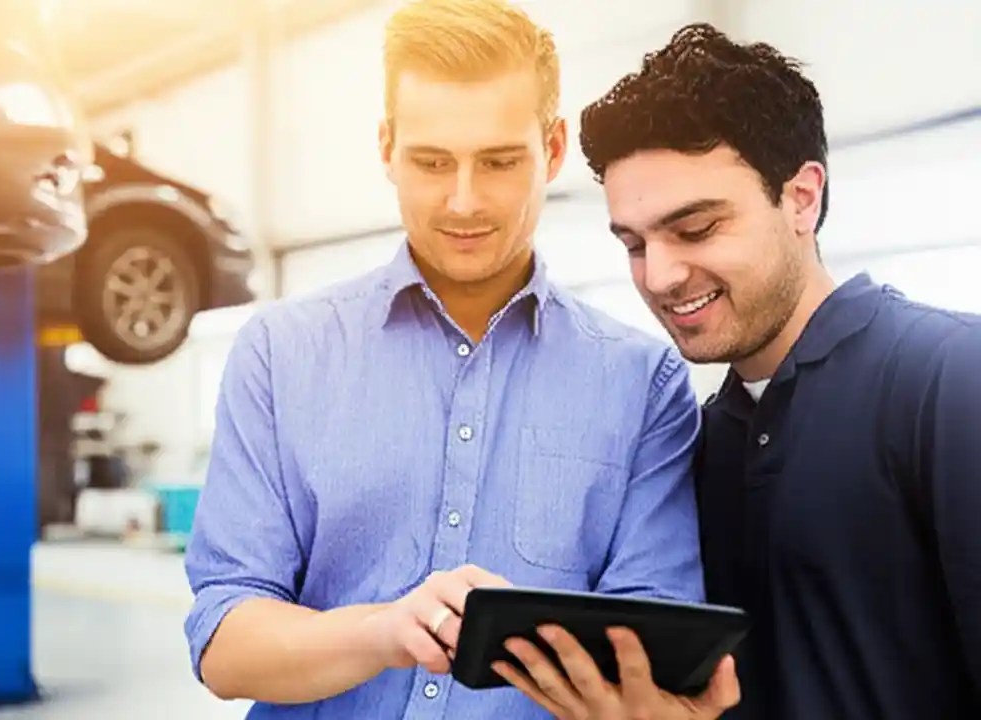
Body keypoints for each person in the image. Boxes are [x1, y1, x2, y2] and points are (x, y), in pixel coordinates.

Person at [183, 1, 710, 716]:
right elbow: (225, 644)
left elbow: (651, 654)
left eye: (498, 162)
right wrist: (385, 630)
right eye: (432, 162)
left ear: (552, 151)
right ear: (386, 149)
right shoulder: (281, 355)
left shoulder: (641, 384)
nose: (463, 201)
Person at [496, 22, 981, 720]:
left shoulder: (949, 380)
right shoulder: (695, 444)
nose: (660, 275)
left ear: (801, 199)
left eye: (696, 230)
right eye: (634, 243)